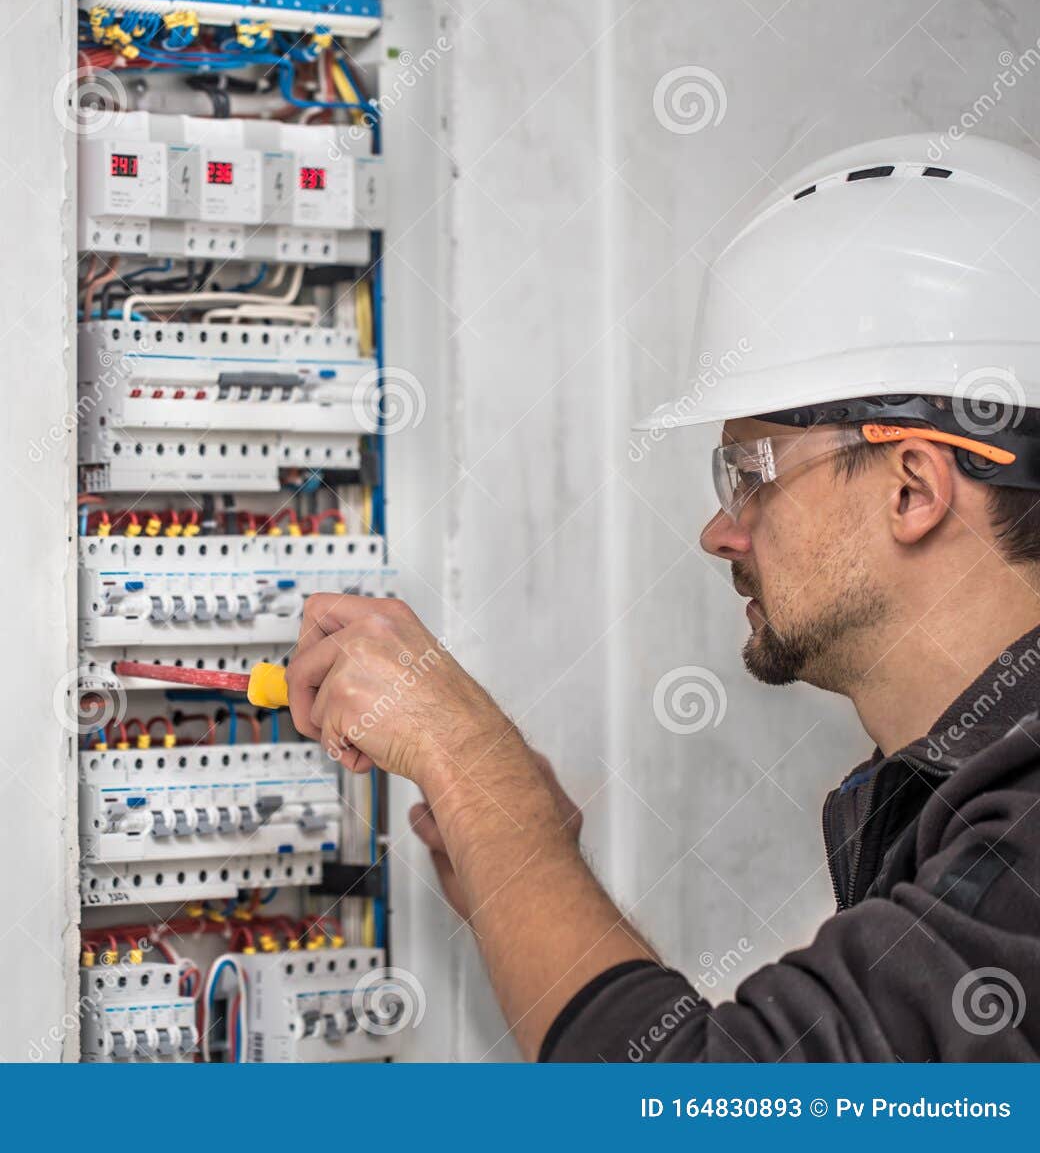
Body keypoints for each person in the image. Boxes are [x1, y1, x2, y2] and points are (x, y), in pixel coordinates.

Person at [287, 134, 1040, 1060]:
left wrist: (480, 773)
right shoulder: (964, 803)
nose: (720, 531)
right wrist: (519, 862)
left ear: (912, 487)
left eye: (750, 474)